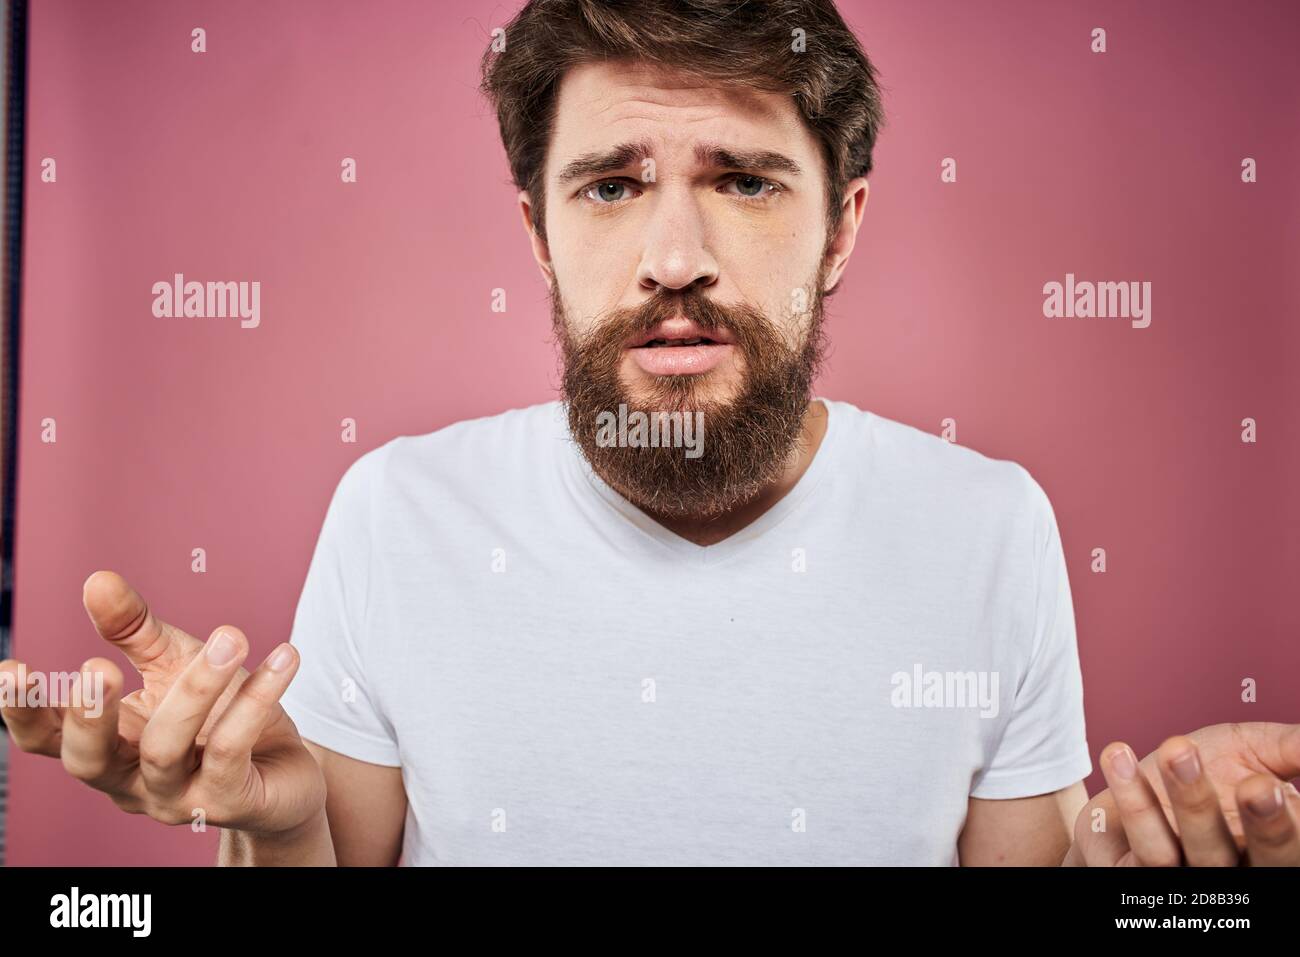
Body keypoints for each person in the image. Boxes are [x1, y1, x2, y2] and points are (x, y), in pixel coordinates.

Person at [3, 0, 1297, 866]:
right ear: (537, 231)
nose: (674, 257)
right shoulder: (399, 514)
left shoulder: (990, 527)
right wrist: (280, 838)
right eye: (613, 186)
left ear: (841, 226)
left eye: (743, 181)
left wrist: (1171, 884)